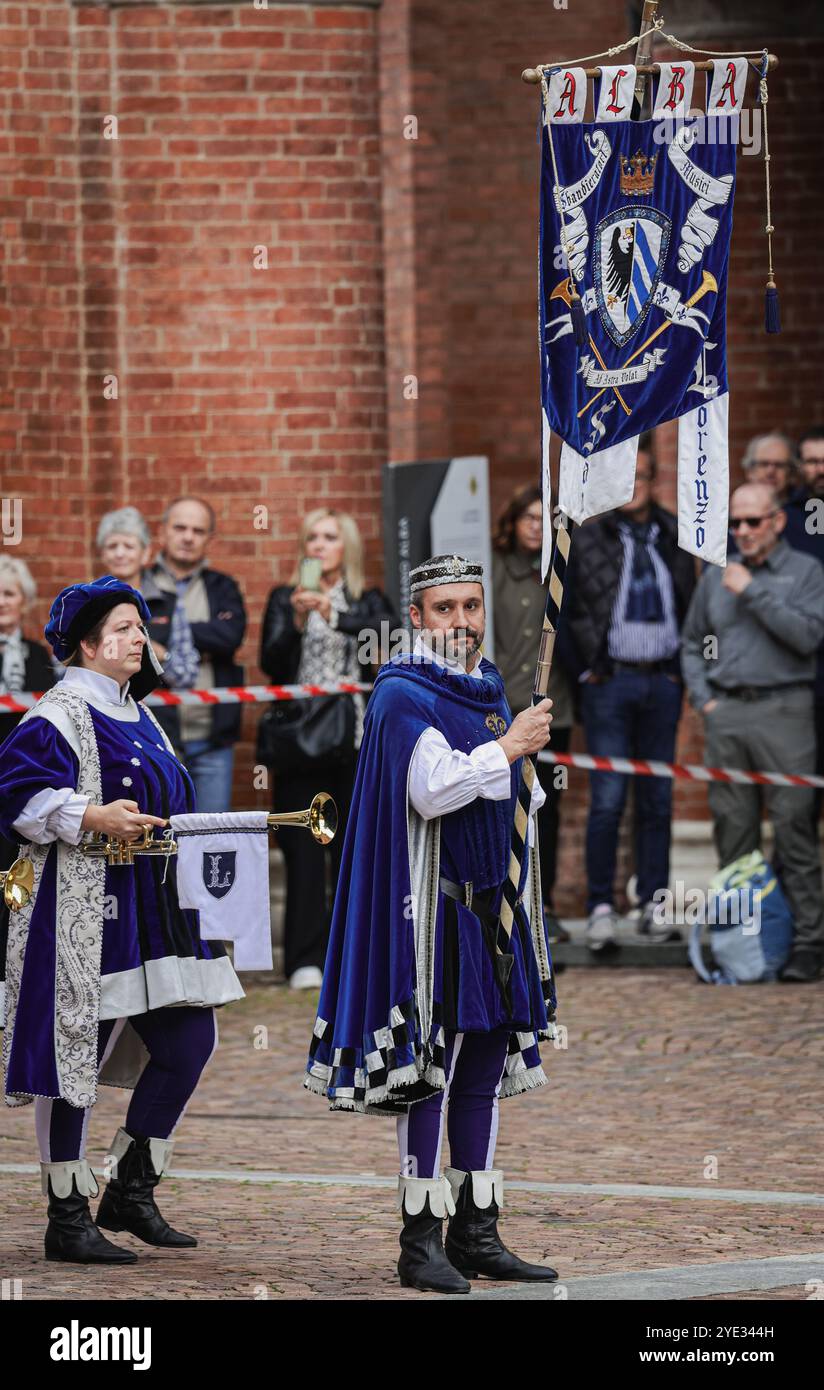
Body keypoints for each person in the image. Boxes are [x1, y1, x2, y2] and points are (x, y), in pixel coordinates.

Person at [304, 554, 559, 1294]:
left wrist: (526, 773)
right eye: (445, 609)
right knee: (430, 1072)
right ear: (416, 617)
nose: (462, 622)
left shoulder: (487, 687)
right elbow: (432, 789)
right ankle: (420, 1241)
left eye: (471, 607)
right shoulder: (402, 693)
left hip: (491, 909)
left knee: (482, 1060)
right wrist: (508, 749)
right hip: (432, 911)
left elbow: (516, 796)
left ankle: (477, 1229)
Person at [0, 576, 244, 1264]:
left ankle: (131, 1190)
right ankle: (66, 1212)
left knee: (191, 1039)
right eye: (125, 627)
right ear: (86, 643)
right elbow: (14, 798)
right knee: (74, 1054)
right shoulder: (57, 714)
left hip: (156, 913)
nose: (140, 637)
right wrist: (91, 816)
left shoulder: (141, 713)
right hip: (85, 913)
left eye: (141, 626)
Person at [681, 483, 824, 983]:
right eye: (734, 523)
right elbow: (693, 644)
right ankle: (739, 941)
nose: (741, 531)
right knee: (733, 833)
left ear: (778, 522)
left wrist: (753, 591)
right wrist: (706, 702)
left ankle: (808, 943)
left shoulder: (805, 572)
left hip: (785, 709)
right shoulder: (714, 575)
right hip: (728, 716)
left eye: (752, 522)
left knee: (794, 830)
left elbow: (807, 636)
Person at [563, 436, 696, 951]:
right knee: (608, 799)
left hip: (661, 681)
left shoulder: (673, 535)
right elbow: (570, 611)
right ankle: (601, 907)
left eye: (644, 477)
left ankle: (654, 904)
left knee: (658, 799)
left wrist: (678, 673)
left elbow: (689, 605)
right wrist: (587, 672)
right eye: (627, 479)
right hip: (609, 683)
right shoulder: (591, 538)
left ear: (655, 480)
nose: (635, 487)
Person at [260, 508, 395, 989]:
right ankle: (303, 959)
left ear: (347, 547)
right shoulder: (284, 598)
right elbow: (270, 662)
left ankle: (350, 956)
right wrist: (296, 619)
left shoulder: (366, 598)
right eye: (312, 537)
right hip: (299, 742)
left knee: (351, 850)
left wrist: (330, 613)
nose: (319, 545)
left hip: (354, 740)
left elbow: (387, 639)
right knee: (303, 849)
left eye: (330, 537)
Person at [492, 484, 574, 940]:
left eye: (544, 520)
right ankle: (506, 899)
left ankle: (544, 903)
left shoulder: (560, 569)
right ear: (513, 520)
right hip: (502, 707)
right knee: (502, 803)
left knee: (548, 808)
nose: (534, 527)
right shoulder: (495, 567)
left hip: (548, 708)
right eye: (528, 517)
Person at [144, 498, 247, 813]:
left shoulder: (222, 586)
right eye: (180, 528)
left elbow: (230, 637)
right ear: (162, 531)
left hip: (211, 740)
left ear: (209, 539)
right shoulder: (142, 582)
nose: (188, 537)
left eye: (198, 530)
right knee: (161, 840)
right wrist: (204, 634)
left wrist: (167, 634)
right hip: (155, 738)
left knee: (210, 841)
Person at [782, 427, 824, 825]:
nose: (820, 469)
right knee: (798, 797)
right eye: (812, 461)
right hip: (798, 676)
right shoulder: (784, 521)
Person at [741, 431, 798, 505]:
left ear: (791, 472)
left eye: (779, 465)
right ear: (750, 471)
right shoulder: (734, 513)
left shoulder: (807, 513)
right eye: (764, 464)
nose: (770, 471)